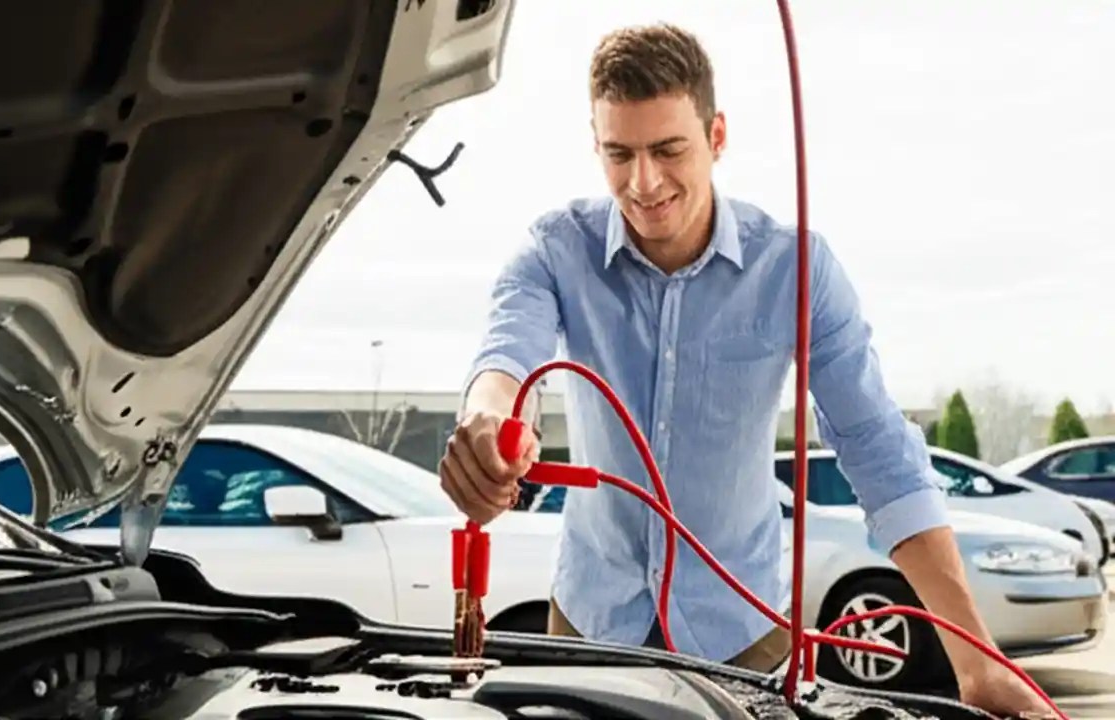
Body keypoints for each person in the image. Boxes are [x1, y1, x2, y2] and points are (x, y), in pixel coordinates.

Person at [439, 22, 1053, 718]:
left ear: (717, 136)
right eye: (620, 153)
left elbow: (879, 450)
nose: (643, 182)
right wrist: (487, 424)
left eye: (668, 150)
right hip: (591, 628)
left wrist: (978, 661)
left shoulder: (795, 267)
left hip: (747, 639)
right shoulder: (555, 250)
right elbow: (505, 357)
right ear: (595, 143)